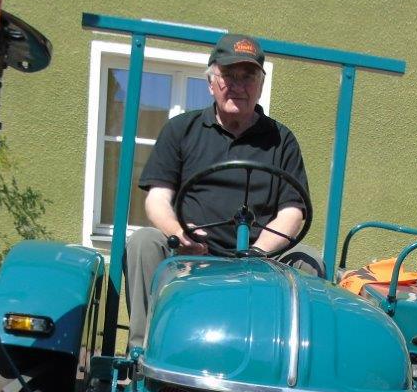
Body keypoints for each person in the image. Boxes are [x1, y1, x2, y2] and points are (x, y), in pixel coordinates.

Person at [124, 32, 321, 347]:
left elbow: (292, 210)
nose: (238, 86)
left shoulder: (281, 140)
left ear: (261, 84)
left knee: (309, 258)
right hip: (193, 252)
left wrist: (256, 253)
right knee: (144, 241)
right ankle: (143, 353)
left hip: (261, 259)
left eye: (248, 77)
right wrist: (180, 233)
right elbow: (157, 198)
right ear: (211, 82)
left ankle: (292, 365)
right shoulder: (181, 130)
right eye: (229, 76)